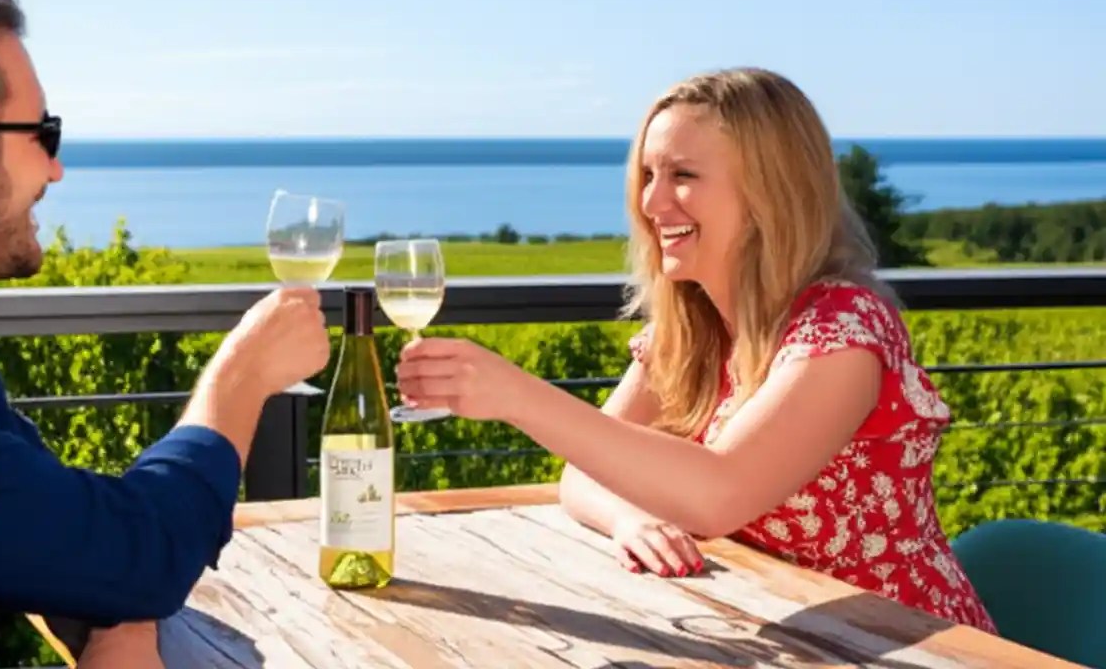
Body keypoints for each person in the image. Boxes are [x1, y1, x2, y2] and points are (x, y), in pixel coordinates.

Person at [0, 0, 330, 668]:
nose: (56, 172)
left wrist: (116, 610)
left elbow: (62, 536)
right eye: (43, 134)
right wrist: (241, 376)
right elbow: (134, 553)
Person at [396, 67, 998, 632]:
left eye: (682, 175)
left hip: (906, 641)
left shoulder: (844, 329)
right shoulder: (688, 332)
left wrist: (518, 396)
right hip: (775, 626)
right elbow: (583, 474)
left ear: (771, 193)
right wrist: (630, 518)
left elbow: (720, 495)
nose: (652, 204)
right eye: (648, 176)